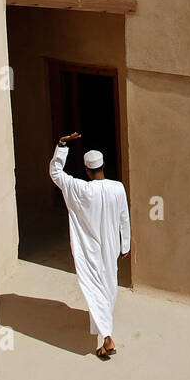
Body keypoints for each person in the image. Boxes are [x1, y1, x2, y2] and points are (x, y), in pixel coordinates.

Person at [49, 133, 131, 360]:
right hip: (112, 247)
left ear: (86, 170)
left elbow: (56, 173)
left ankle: (107, 337)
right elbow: (125, 217)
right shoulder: (118, 188)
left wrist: (62, 145)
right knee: (108, 286)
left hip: (91, 250)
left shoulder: (80, 189)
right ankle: (105, 334)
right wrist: (125, 245)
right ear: (104, 166)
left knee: (94, 288)